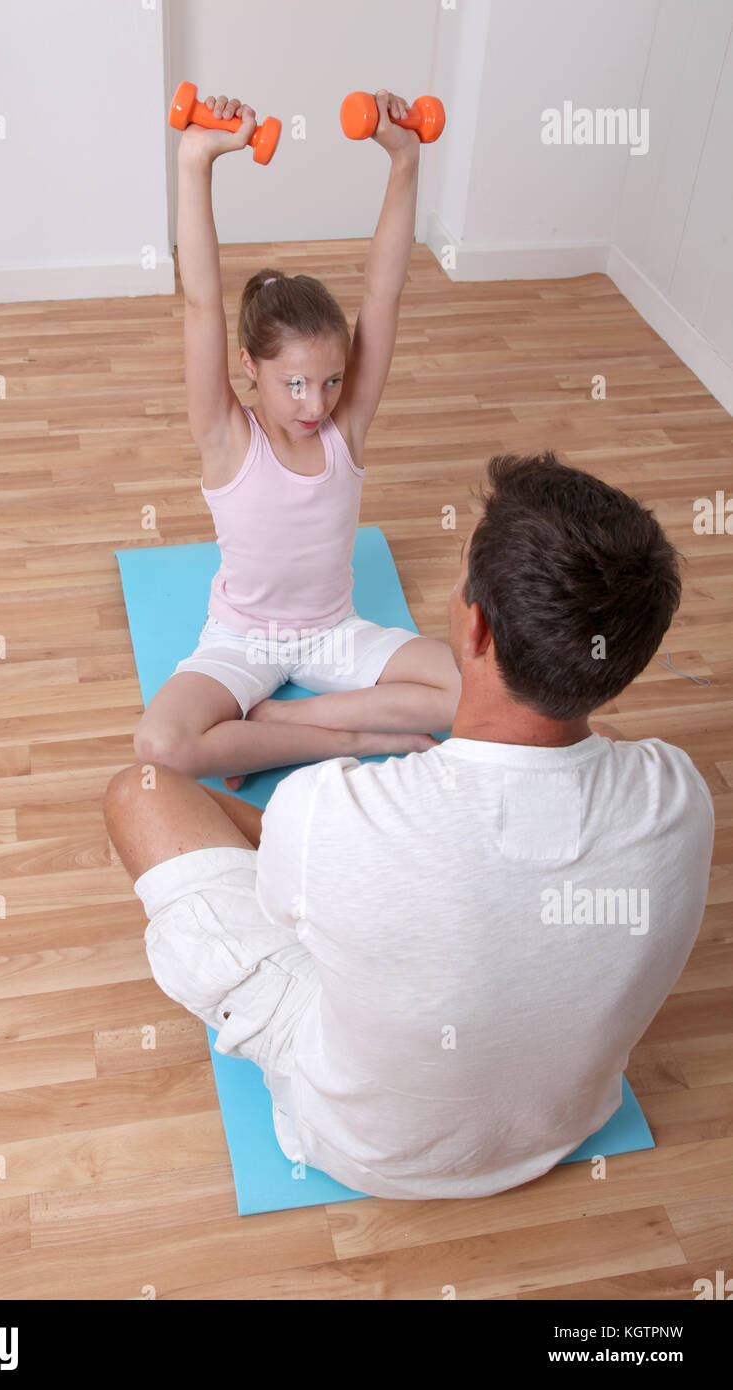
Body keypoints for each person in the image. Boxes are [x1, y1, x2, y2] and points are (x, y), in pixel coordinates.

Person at [104, 451, 715, 1200]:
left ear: (478, 628)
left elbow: (280, 897)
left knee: (139, 793)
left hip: (364, 1148)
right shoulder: (683, 793)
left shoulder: (332, 810)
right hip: (567, 1123)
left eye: (462, 580)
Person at [134, 89, 460, 792]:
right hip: (242, 641)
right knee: (160, 744)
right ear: (249, 367)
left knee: (475, 688)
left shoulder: (347, 429)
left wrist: (404, 161)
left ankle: (279, 729)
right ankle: (349, 736)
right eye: (295, 386)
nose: (317, 404)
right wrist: (197, 162)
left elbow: (384, 296)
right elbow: (199, 301)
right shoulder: (226, 438)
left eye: (332, 381)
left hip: (333, 635)